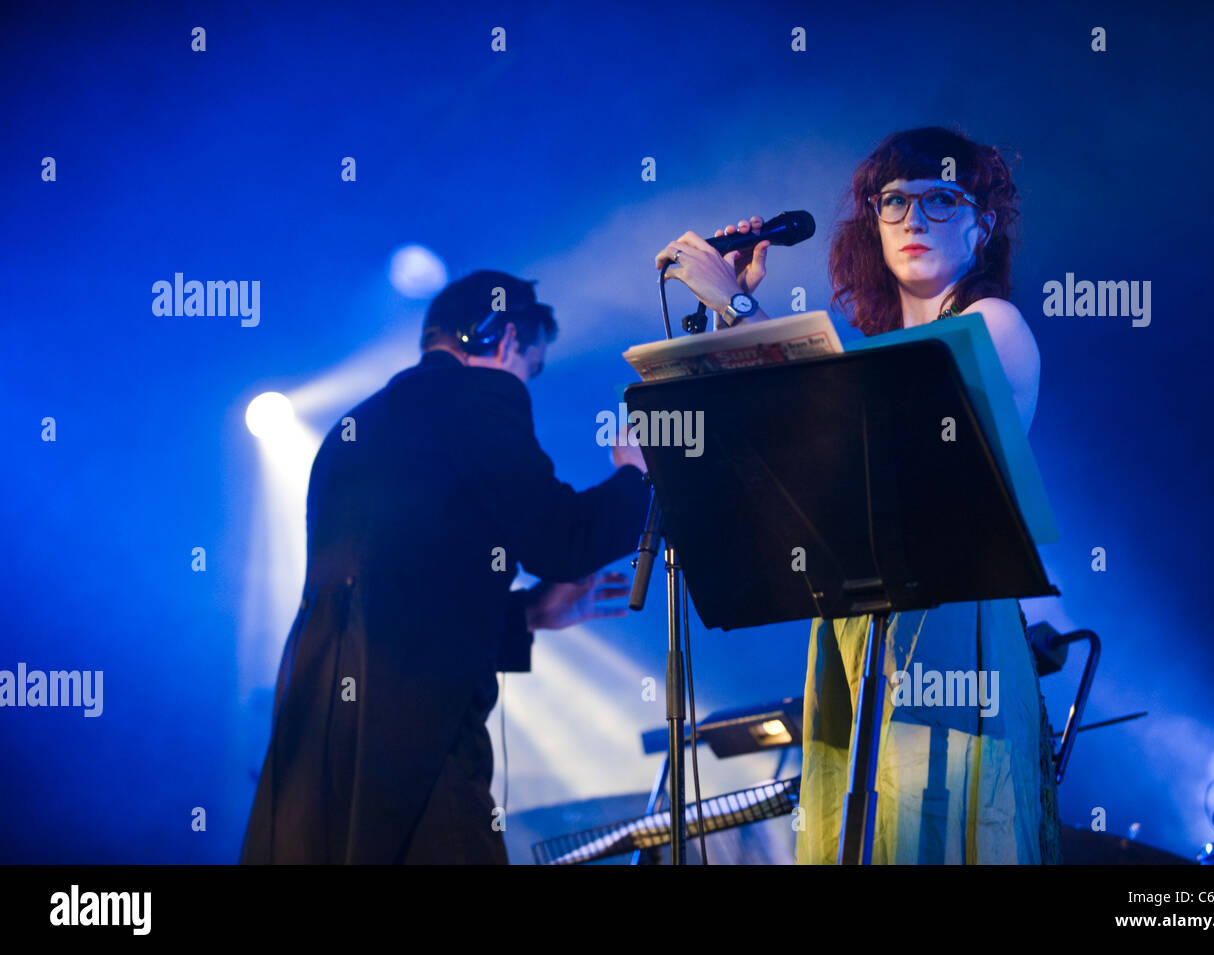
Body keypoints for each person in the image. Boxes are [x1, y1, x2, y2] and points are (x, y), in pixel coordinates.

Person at [653, 126, 1062, 864]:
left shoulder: (991, 323)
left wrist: (745, 317)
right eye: (894, 201)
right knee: (859, 832)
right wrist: (732, 312)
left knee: (926, 833)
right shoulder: (868, 342)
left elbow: (886, 440)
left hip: (948, 618)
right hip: (855, 614)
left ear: (983, 225)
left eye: (942, 199)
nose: (912, 218)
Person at [240, 270, 650, 864]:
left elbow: (400, 588)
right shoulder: (481, 397)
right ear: (504, 338)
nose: (523, 382)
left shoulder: (352, 428)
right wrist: (636, 476)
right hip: (418, 739)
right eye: (529, 367)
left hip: (318, 729)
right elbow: (561, 540)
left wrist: (529, 613)